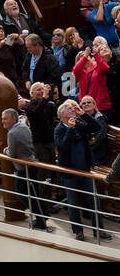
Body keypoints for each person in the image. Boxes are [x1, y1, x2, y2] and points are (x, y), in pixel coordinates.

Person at [55, 100, 110, 242]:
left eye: (73, 108)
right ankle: (78, 231)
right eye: (69, 109)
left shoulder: (79, 125)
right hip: (69, 173)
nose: (73, 110)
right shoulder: (59, 129)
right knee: (73, 204)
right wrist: (70, 129)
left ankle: (99, 230)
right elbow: (63, 147)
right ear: (63, 114)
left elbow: (96, 126)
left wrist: (83, 114)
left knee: (94, 202)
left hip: (85, 170)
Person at [2, 108, 50, 231]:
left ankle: (41, 217)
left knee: (22, 192)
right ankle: (43, 215)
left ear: (13, 119)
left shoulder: (12, 133)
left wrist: (5, 150)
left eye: (5, 119)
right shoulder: (23, 127)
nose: (3, 121)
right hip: (32, 163)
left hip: (24, 168)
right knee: (34, 193)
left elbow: (11, 154)